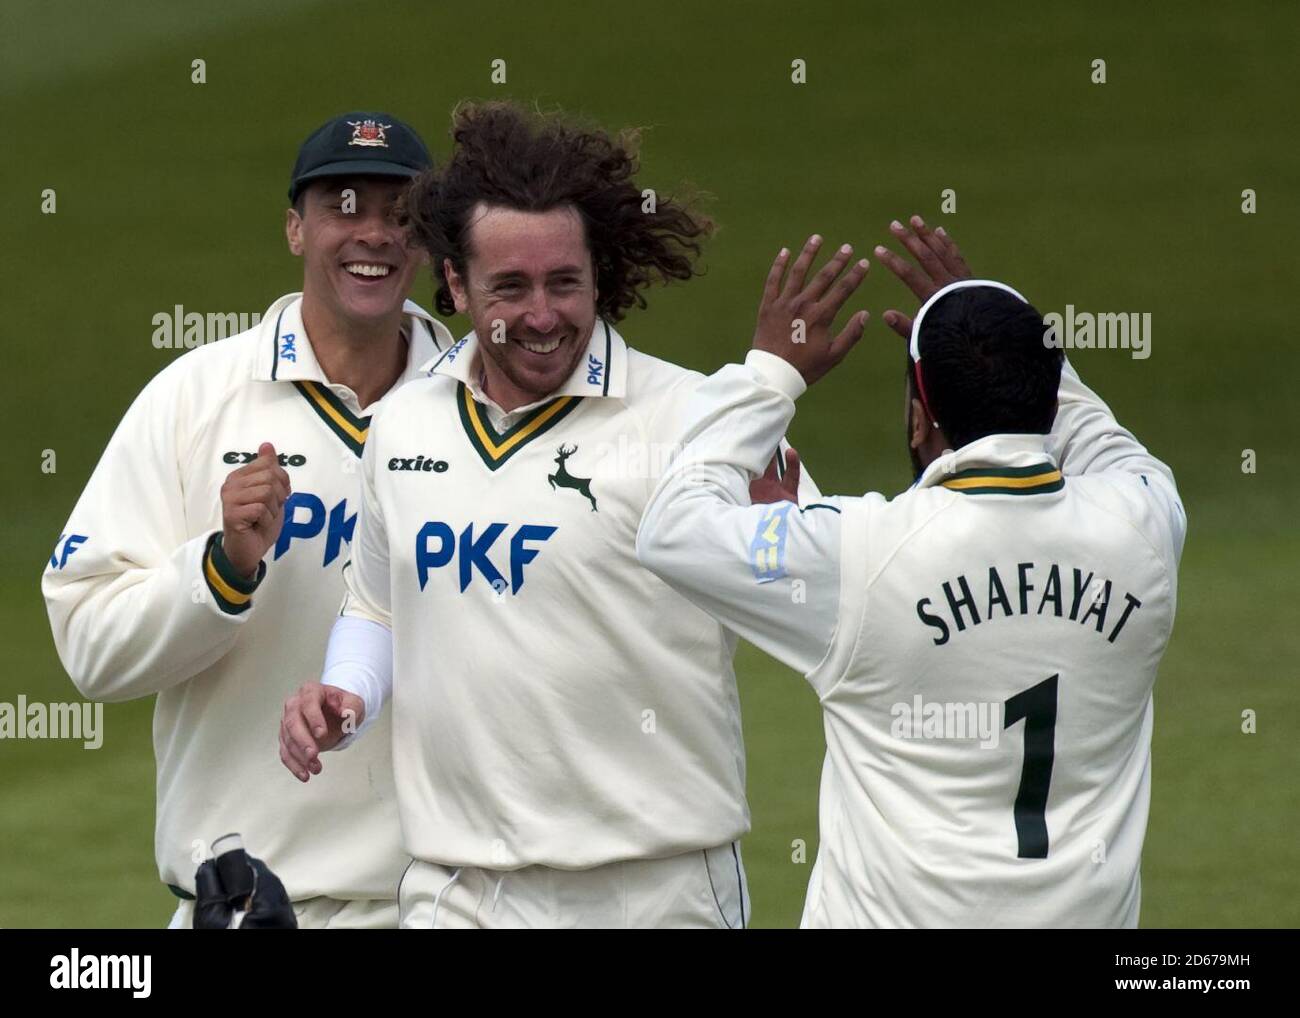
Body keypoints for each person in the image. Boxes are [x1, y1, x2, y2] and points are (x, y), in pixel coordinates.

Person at [278, 101, 861, 928]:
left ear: (600, 276)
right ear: (454, 283)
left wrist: (785, 553)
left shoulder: (695, 420)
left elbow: (849, 607)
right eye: (509, 288)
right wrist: (346, 693)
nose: (544, 316)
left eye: (565, 283)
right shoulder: (405, 425)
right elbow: (375, 603)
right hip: (459, 890)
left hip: (657, 894)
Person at [636, 222, 1187, 927]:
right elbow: (1092, 432)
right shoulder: (1145, 521)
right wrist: (990, 312)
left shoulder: (856, 553)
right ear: (1048, 406)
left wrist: (769, 373)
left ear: (920, 417)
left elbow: (672, 527)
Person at [42, 112, 453, 928]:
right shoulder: (196, 398)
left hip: (444, 901)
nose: (373, 233)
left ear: (433, 245)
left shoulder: (480, 411)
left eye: (400, 212)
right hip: (246, 903)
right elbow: (90, 647)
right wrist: (221, 570)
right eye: (343, 205)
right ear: (296, 228)